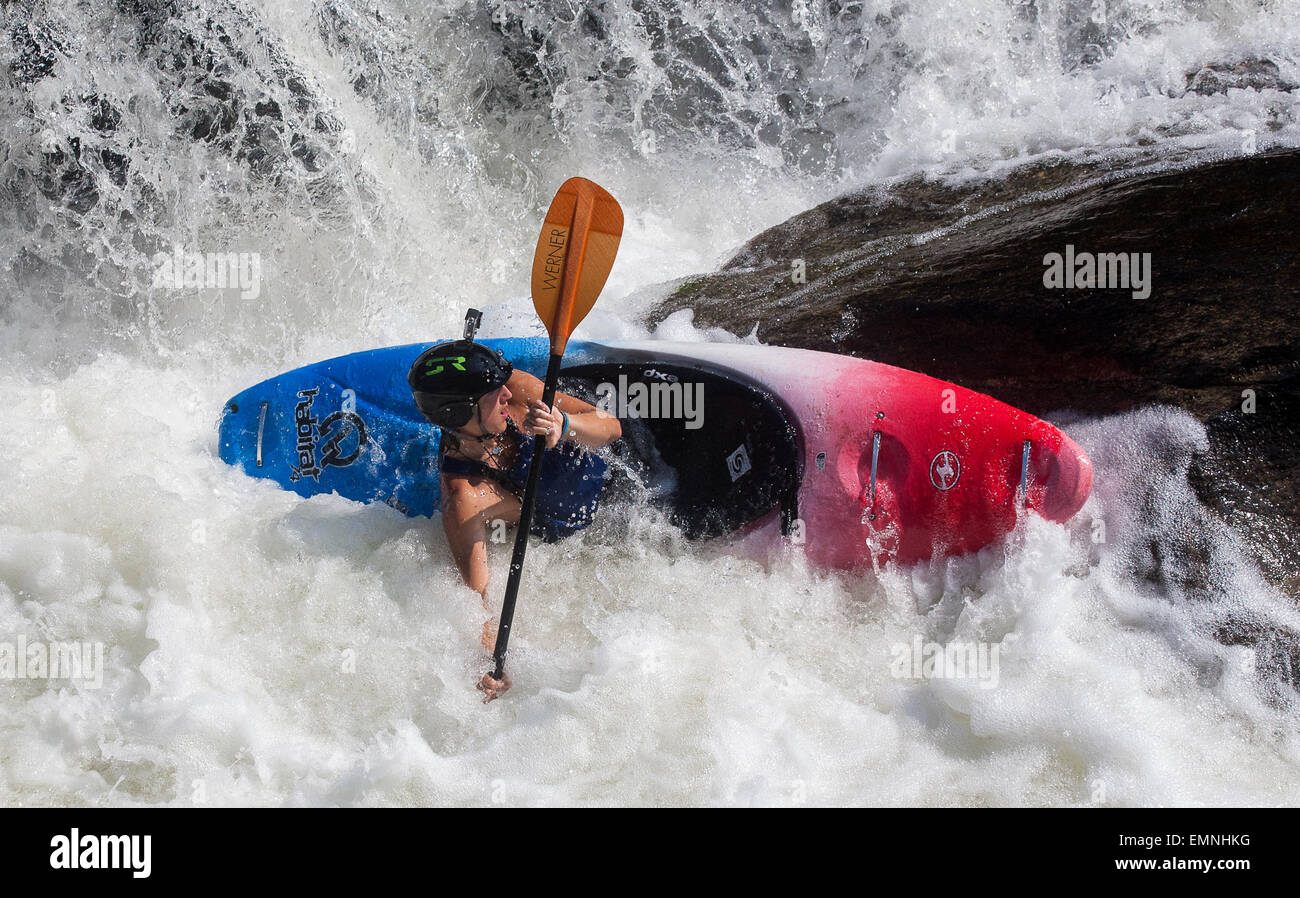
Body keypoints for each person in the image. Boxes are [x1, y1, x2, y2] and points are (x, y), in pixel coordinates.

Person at [408, 340, 622, 701]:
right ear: (461, 413)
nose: (506, 392)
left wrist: (563, 424)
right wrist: (493, 667)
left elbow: (613, 426)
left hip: (627, 473)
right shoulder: (467, 498)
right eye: (494, 392)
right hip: (593, 531)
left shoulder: (518, 393)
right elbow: (478, 603)